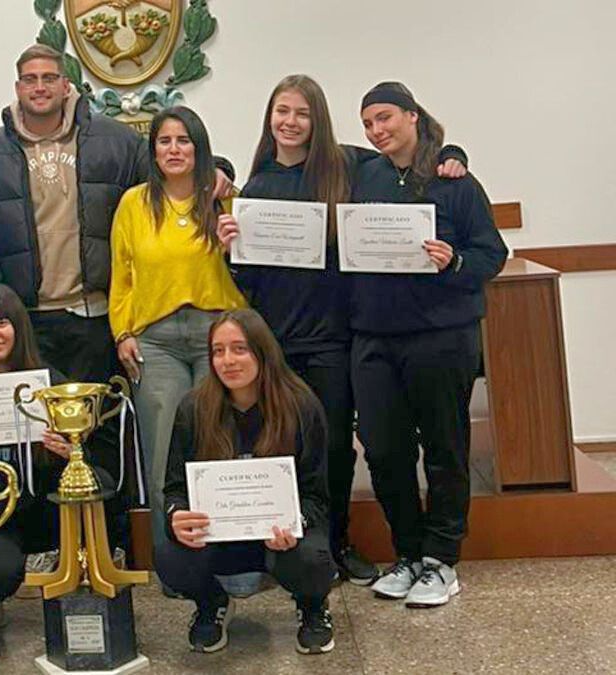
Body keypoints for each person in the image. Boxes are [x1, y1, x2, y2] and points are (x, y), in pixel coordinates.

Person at [216, 74, 469, 586]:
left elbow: (411, 154)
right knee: (284, 446)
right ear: (270, 117)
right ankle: (289, 545)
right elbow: (251, 281)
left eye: (301, 114)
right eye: (281, 111)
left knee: (334, 447)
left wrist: (454, 152)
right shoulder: (258, 184)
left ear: (318, 121)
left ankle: (337, 543)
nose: (290, 122)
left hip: (337, 336)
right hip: (277, 341)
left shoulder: (347, 166)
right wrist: (232, 252)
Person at [0, 45, 239, 384]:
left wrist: (218, 168)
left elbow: (167, 171)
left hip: (92, 313)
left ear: (66, 85)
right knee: (39, 430)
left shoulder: (115, 139)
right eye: (29, 80)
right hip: (25, 320)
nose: (40, 87)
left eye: (49, 78)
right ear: (18, 88)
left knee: (100, 425)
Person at [350, 82, 506, 607]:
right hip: (374, 337)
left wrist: (455, 261)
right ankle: (409, 553)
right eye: (368, 123)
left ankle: (442, 560)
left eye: (386, 118)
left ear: (413, 116)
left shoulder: (454, 180)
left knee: (444, 447)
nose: (377, 131)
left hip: (441, 337)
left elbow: (492, 252)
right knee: (384, 450)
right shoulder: (361, 174)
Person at [0, 284, 127, 620]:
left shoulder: (51, 382)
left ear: (19, 327)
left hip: (46, 508)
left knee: (96, 484)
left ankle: (85, 579)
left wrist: (71, 452)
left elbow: (99, 461)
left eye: (2, 324)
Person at [155, 309, 335, 655]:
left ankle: (313, 606)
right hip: (220, 535)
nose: (227, 361)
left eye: (239, 349)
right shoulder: (193, 408)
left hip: (281, 539)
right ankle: (211, 603)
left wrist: (298, 523)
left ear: (262, 351)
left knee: (312, 559)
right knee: (169, 557)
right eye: (218, 351)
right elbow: (175, 488)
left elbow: (317, 495)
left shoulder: (302, 406)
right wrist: (176, 515)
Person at [109, 106, 245, 551]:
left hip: (219, 338)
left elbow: (251, 268)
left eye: (183, 140)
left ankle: (229, 558)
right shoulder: (134, 203)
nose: (174, 149)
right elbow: (122, 275)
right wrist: (122, 333)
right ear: (153, 150)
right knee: (164, 449)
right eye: (164, 141)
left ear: (199, 147)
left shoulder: (224, 198)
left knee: (218, 443)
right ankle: (172, 559)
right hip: (156, 341)